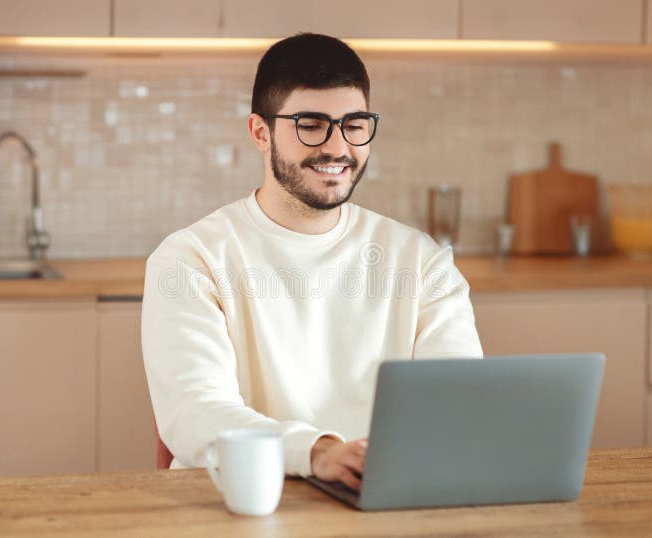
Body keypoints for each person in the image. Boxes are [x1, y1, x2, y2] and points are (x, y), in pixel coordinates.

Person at [141, 33, 483, 493]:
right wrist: (318, 452)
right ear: (261, 133)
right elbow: (193, 412)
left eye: (354, 124)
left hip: (380, 496)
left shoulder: (422, 262)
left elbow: (459, 401)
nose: (337, 147)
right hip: (239, 502)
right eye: (311, 124)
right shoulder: (191, 259)